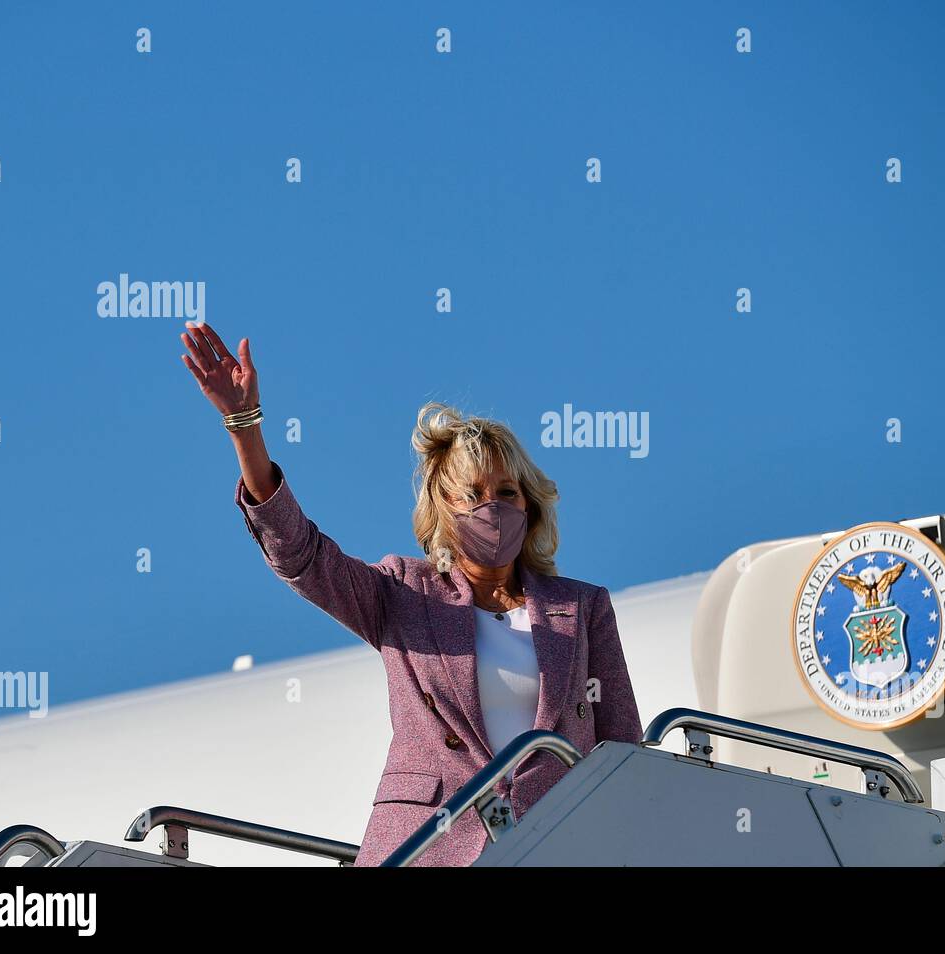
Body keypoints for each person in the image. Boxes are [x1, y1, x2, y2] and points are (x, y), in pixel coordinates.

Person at [179, 322, 643, 866]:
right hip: (432, 851)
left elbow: (624, 752)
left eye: (506, 492)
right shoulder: (405, 593)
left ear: (530, 506)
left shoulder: (583, 608)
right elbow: (302, 556)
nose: (490, 507)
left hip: (554, 851)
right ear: (443, 512)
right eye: (471, 494)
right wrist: (245, 429)